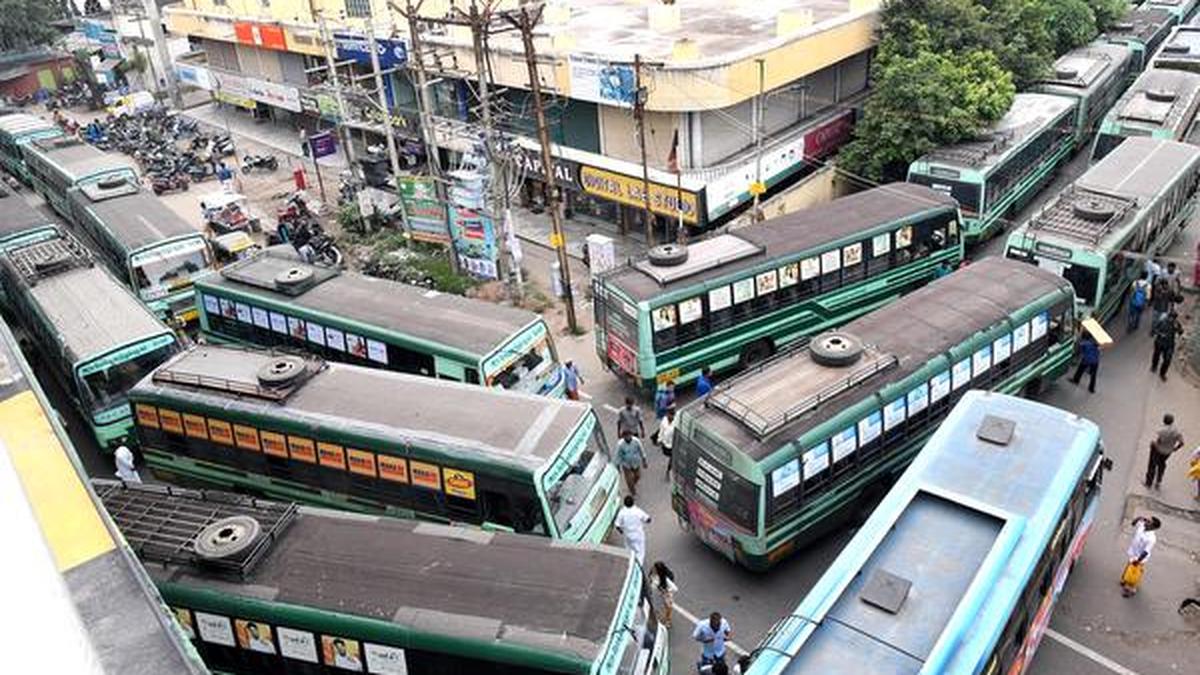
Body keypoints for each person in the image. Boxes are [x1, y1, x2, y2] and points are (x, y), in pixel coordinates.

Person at [1121, 516, 1161, 597]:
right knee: (1128, 566)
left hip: (1139, 558)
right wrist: (1139, 518)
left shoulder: (1152, 538)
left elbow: (1146, 551)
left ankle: (1131, 590)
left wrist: (1138, 561)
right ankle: (1124, 580)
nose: (1146, 521)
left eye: (1149, 521)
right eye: (1147, 520)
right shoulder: (1142, 525)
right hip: (1133, 552)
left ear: (1153, 527)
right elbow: (1133, 524)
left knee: (1134, 574)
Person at [1145, 413, 1184, 490]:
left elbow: (1158, 441)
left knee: (1152, 465)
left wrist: (1153, 444)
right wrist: (1175, 449)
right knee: (1162, 464)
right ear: (1172, 422)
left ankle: (1148, 483)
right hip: (1168, 452)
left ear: (1164, 421)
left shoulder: (1161, 431)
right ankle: (1158, 481)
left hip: (1158, 450)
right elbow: (1182, 443)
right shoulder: (1176, 431)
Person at [615, 495, 651, 565]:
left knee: (629, 550)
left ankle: (630, 563)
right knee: (640, 552)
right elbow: (648, 519)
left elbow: (617, 525)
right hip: (638, 535)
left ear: (624, 503)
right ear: (633, 502)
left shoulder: (622, 512)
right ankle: (639, 565)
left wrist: (621, 532)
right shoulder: (637, 511)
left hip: (628, 535)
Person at [1151, 310, 1183, 381]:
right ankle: (1154, 366)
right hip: (1160, 342)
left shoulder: (1176, 324)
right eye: (1170, 317)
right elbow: (1154, 329)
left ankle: (1162, 374)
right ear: (1168, 316)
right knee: (1156, 355)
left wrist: (1178, 328)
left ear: (1175, 318)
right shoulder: (1162, 321)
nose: (1171, 319)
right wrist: (1160, 334)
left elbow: (1181, 332)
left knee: (1167, 360)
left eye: (1173, 318)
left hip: (1169, 345)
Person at [616, 430, 648, 496]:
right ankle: (632, 491)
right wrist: (618, 467)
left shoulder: (636, 441)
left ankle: (632, 484)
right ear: (623, 437)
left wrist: (644, 461)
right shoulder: (620, 445)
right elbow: (618, 456)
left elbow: (641, 450)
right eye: (626, 436)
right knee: (629, 479)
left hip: (636, 462)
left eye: (629, 435)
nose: (627, 437)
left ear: (631, 435)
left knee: (638, 476)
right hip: (626, 465)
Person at [649, 561, 677, 628]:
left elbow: (674, 589)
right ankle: (663, 618)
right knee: (660, 607)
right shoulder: (653, 574)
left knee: (668, 607)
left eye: (655, 568)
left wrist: (666, 591)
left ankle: (668, 620)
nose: (653, 569)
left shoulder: (665, 579)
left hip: (665, 594)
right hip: (658, 594)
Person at [658, 408, 678, 479]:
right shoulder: (664, 420)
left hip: (673, 444)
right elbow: (661, 430)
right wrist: (660, 439)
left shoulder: (676, 422)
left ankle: (668, 471)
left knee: (672, 458)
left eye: (672, 415)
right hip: (665, 443)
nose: (671, 417)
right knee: (669, 455)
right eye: (669, 415)